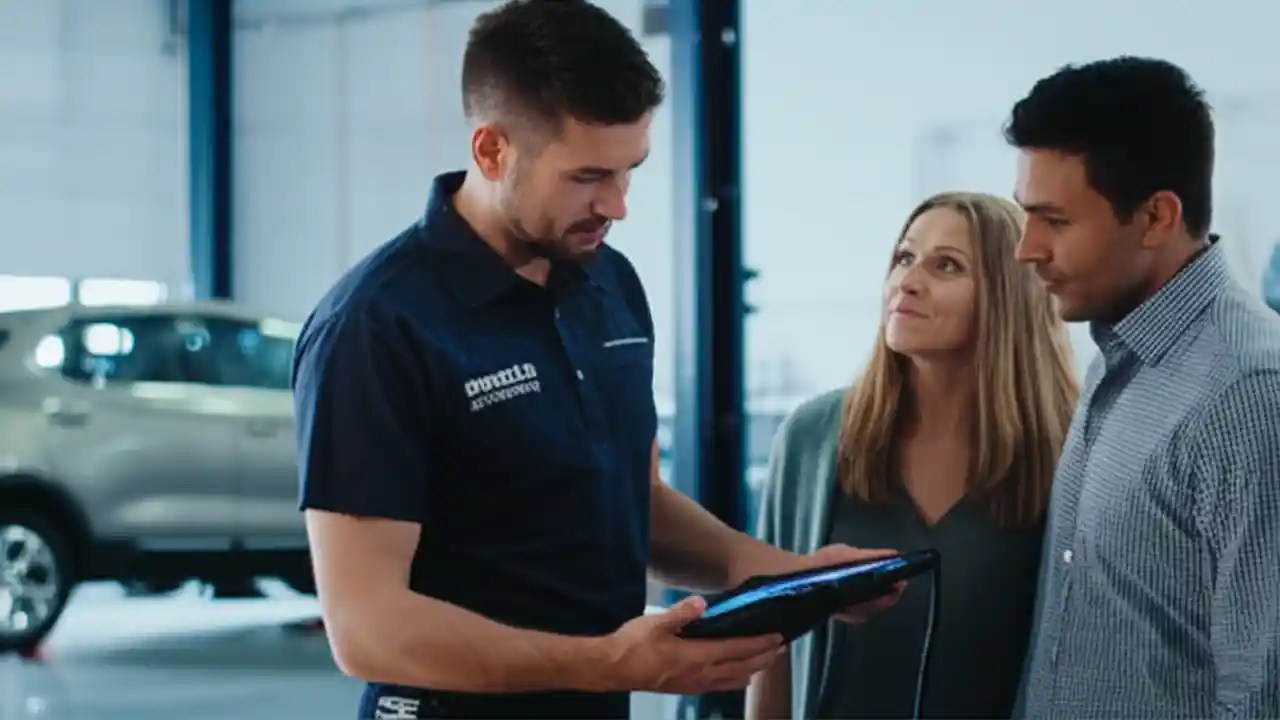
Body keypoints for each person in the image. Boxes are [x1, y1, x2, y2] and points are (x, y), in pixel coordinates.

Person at [290, 2, 895, 718]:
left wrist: (779, 573)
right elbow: (367, 629)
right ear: (491, 151)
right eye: (587, 177)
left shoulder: (608, 283)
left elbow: (629, 503)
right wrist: (608, 663)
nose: (617, 205)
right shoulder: (376, 326)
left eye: (630, 170)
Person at [1006, 56, 1280, 718]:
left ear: (1157, 217)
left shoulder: (1248, 395)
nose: (1027, 248)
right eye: (1026, 215)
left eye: (1056, 220)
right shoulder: (1117, 355)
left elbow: (1261, 694)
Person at [744, 192, 1079, 719]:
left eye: (946, 265)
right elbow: (772, 638)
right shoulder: (813, 437)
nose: (909, 280)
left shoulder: (1068, 450)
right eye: (904, 258)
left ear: (1008, 295)